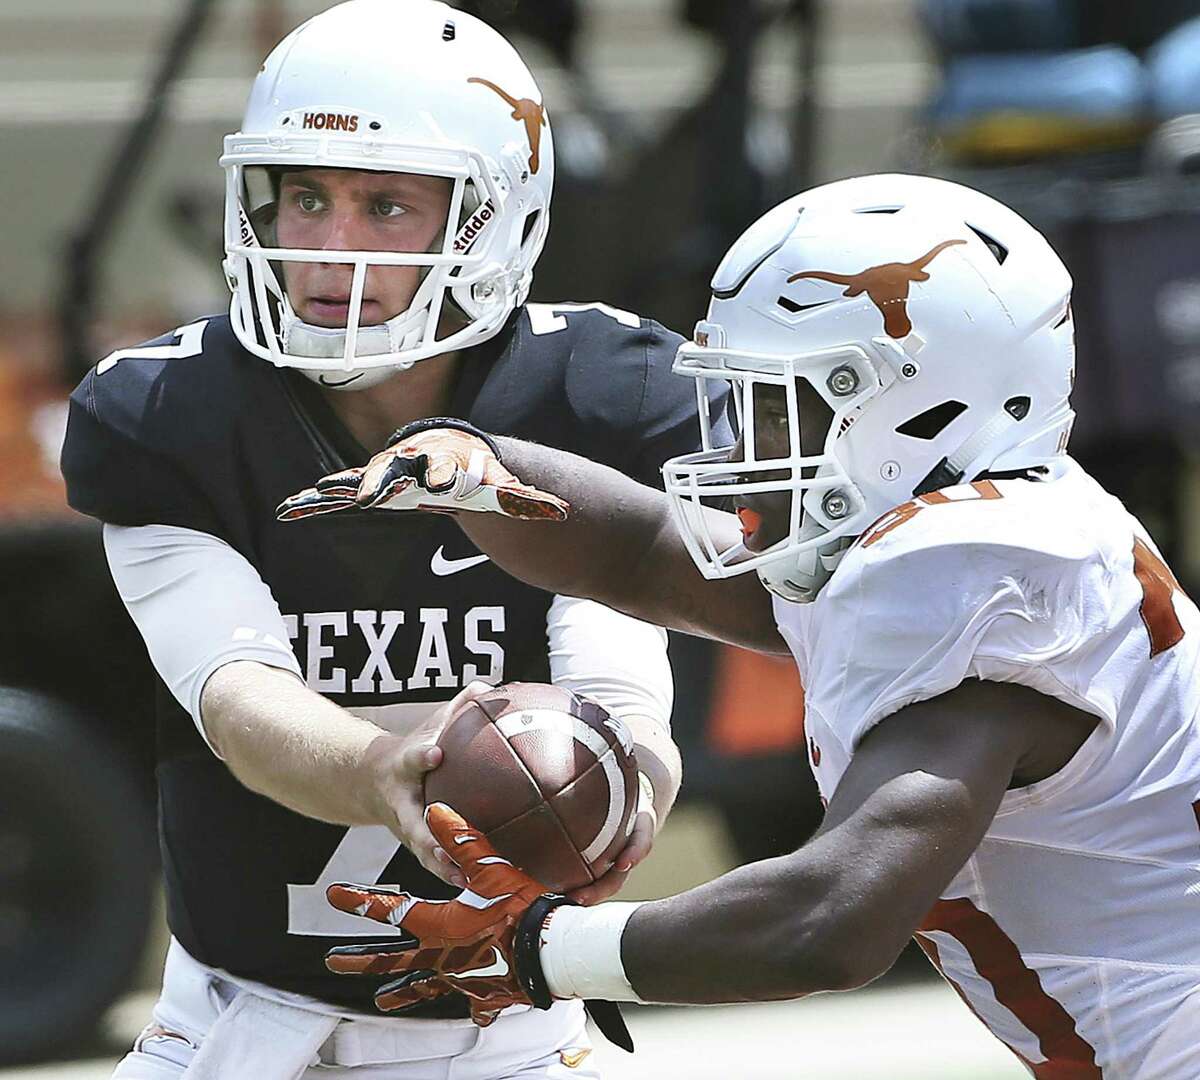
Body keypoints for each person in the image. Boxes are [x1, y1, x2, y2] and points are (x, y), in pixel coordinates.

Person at [280, 173, 1200, 1078]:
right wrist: (480, 466)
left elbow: (829, 919)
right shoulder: (987, 521)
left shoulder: (970, 573)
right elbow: (647, 553)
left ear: (910, 406)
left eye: (768, 402)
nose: (734, 445)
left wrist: (543, 951)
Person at [59, 1, 716, 1076]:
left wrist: (620, 784)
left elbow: (621, 692)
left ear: (490, 221)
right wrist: (382, 772)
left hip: (508, 1038)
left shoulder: (596, 395)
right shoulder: (171, 415)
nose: (327, 248)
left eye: (385, 204)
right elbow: (235, 697)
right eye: (306, 197)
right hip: (236, 1025)